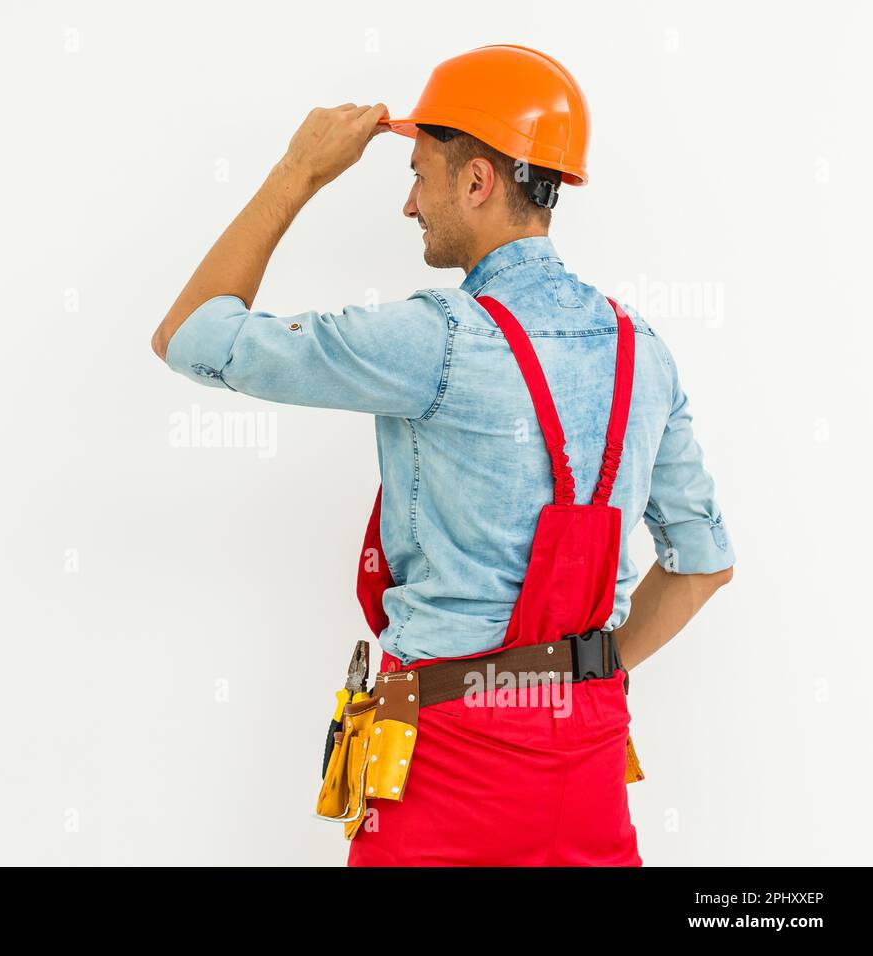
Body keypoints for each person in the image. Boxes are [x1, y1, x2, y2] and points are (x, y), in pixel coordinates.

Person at [151, 45, 734, 866]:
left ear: (478, 181)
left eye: (420, 173)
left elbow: (190, 337)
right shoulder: (644, 350)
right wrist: (571, 676)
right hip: (590, 763)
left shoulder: (435, 340)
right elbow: (703, 564)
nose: (409, 203)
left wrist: (299, 171)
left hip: (445, 769)